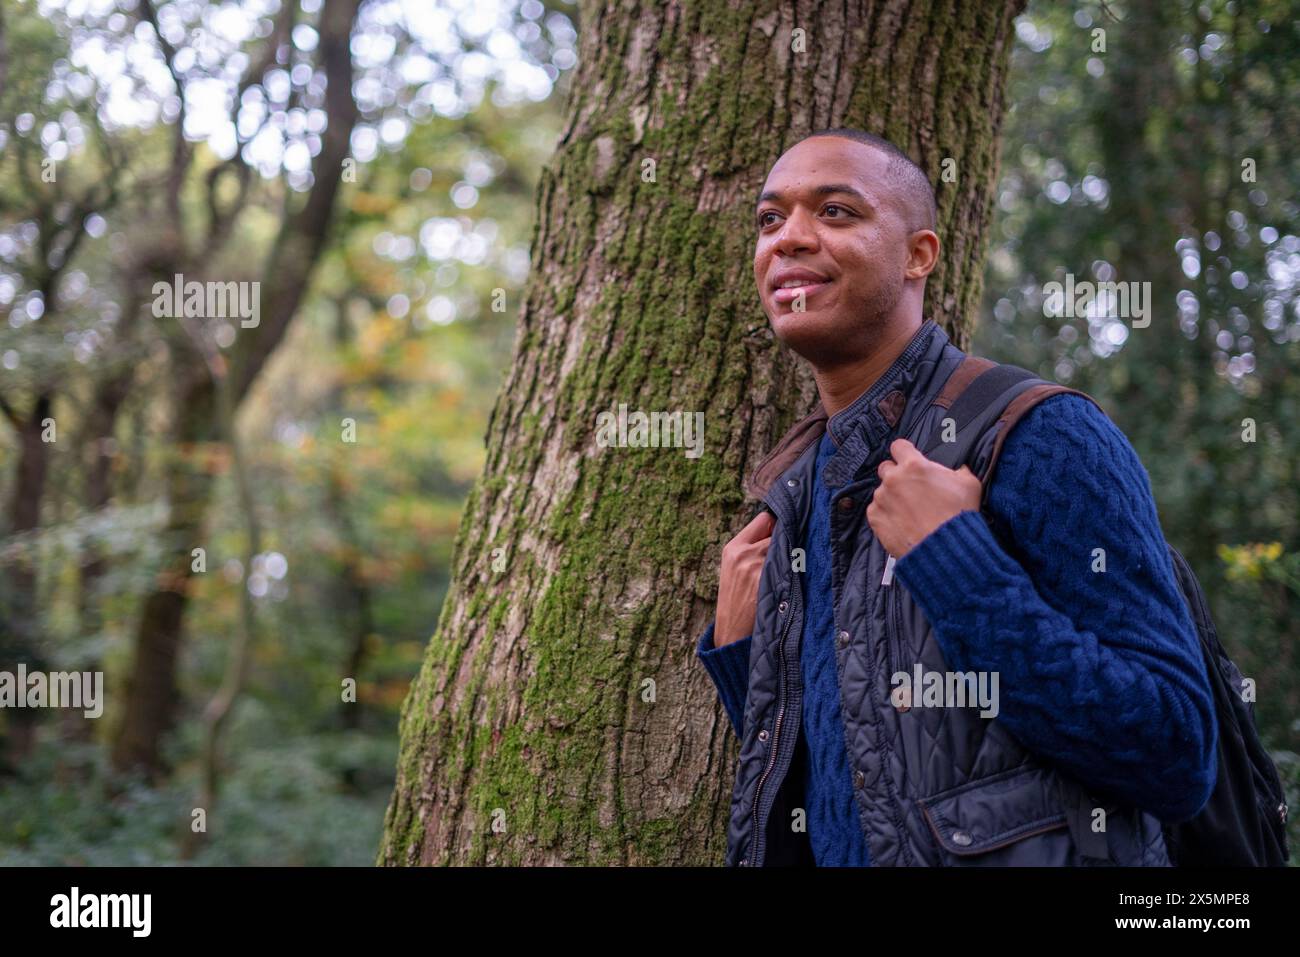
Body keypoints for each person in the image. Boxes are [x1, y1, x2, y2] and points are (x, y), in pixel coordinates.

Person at [695, 128, 1217, 866]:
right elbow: (865, 773)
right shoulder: (797, 493)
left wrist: (955, 562)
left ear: (919, 254)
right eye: (770, 219)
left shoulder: (1041, 434)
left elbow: (1175, 750)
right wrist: (749, 660)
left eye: (836, 211)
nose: (790, 239)